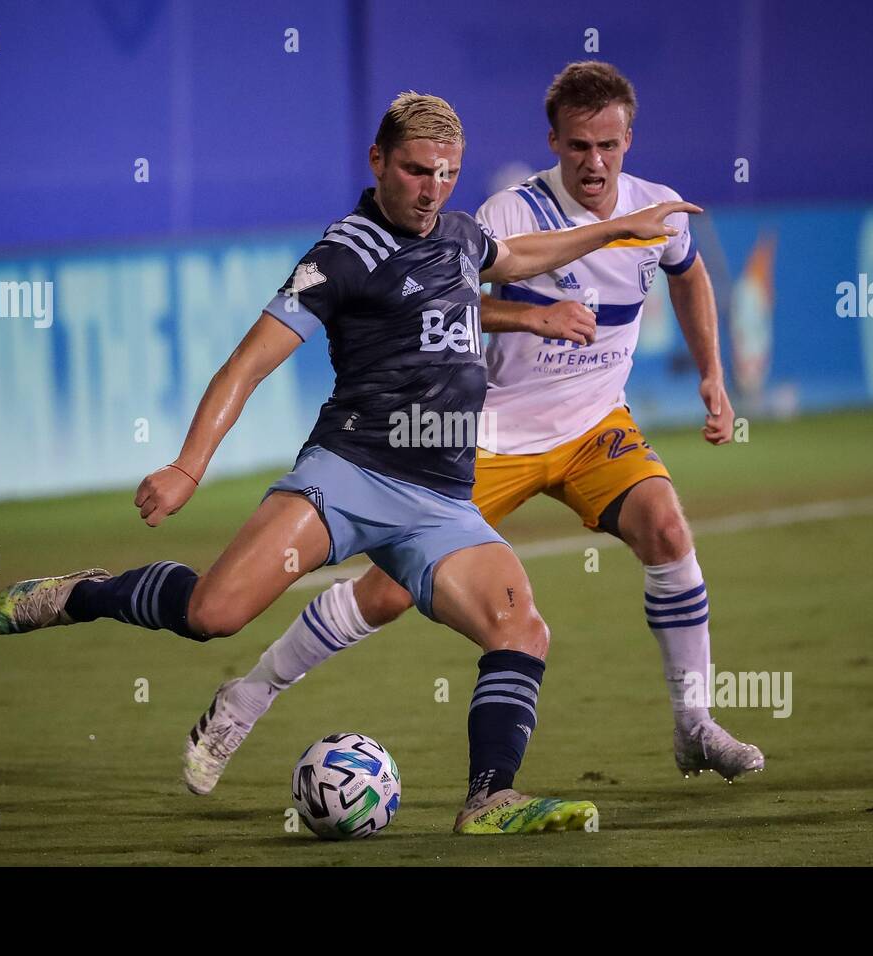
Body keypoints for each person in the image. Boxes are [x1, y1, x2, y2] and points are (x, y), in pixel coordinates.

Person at [0, 90, 700, 835]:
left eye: (447, 174)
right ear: (378, 161)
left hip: (444, 499)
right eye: (418, 171)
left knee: (522, 631)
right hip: (348, 477)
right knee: (213, 615)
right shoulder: (341, 254)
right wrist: (189, 467)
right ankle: (79, 595)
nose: (432, 190)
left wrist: (618, 231)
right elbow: (246, 366)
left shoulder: (458, 233)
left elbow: (514, 255)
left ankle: (489, 798)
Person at [202, 62, 763, 792]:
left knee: (667, 530)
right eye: (579, 147)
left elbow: (688, 273)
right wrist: (533, 314)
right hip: (491, 432)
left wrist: (712, 373)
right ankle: (250, 695)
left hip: (595, 426)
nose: (595, 162)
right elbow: (448, 299)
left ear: (629, 140)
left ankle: (695, 726)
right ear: (554, 141)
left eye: (609, 146)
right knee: (387, 593)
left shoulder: (654, 211)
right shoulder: (511, 212)